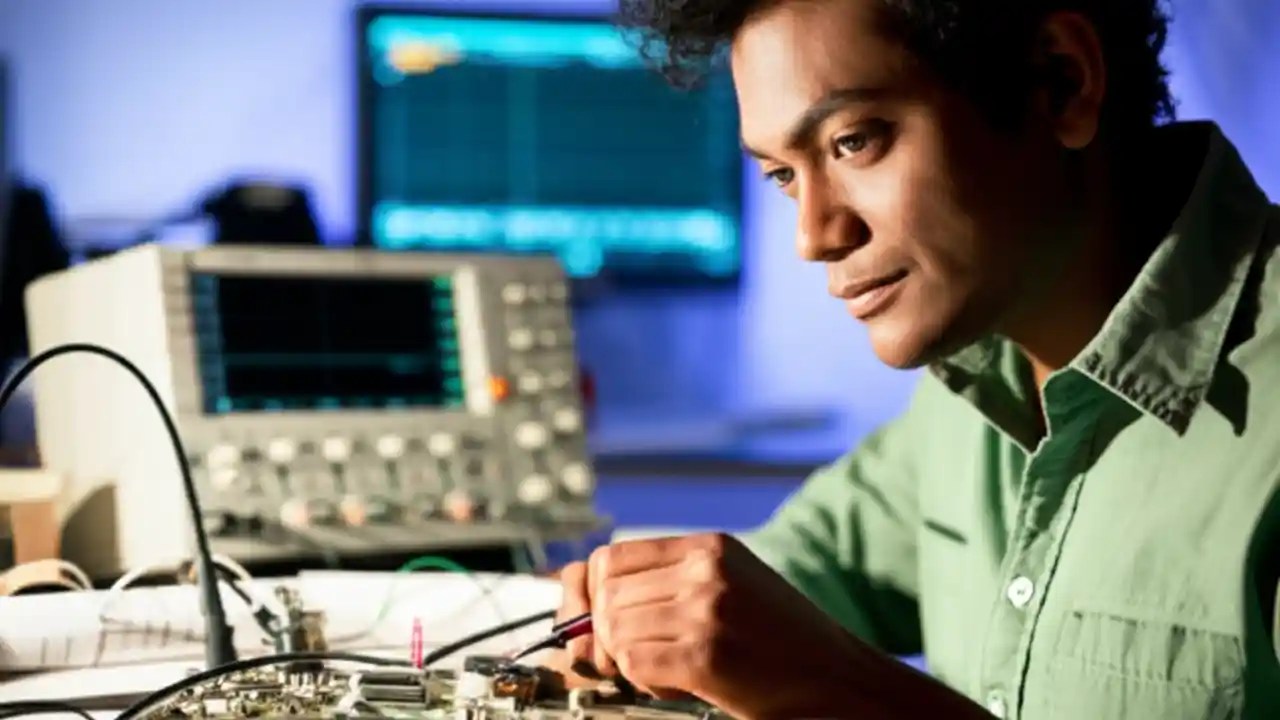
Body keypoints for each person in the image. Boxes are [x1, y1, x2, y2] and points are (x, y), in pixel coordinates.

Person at [548, 0, 1280, 718]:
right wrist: (631, 606)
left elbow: (802, 656)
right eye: (783, 175)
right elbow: (787, 574)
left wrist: (841, 690)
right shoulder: (974, 382)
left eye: (854, 141)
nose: (815, 235)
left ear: (1060, 82)